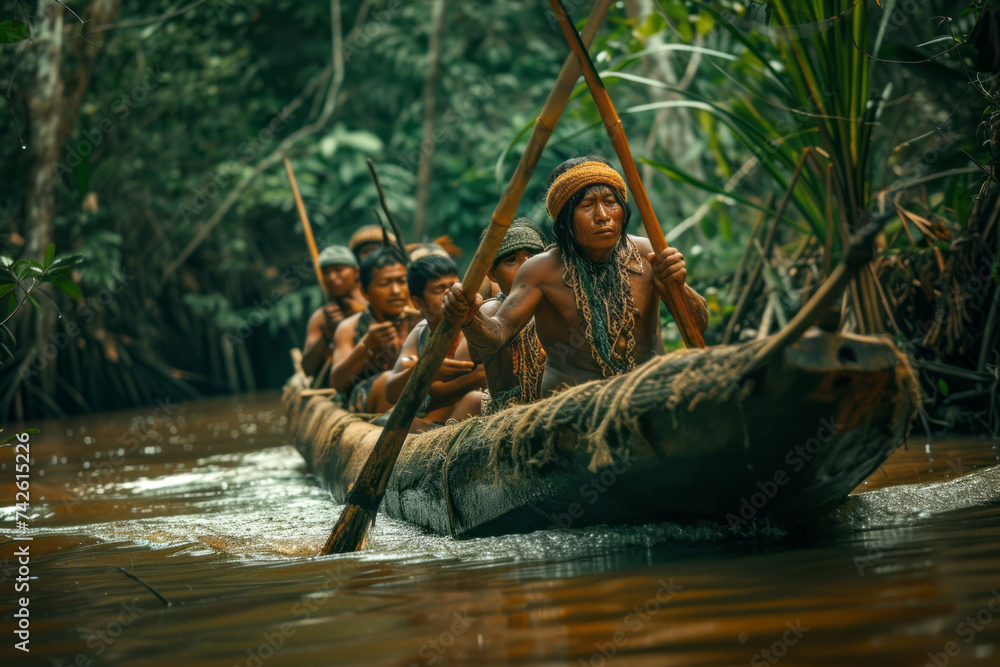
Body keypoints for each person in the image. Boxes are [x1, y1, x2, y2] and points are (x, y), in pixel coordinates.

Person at [443, 155, 709, 396]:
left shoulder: (649, 254)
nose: (603, 216)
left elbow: (698, 325)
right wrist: (469, 317)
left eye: (610, 202)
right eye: (587, 205)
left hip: (650, 392)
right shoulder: (541, 270)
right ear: (565, 220)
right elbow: (497, 337)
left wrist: (679, 286)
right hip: (571, 410)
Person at [384, 255, 486, 422]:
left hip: (473, 419)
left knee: (474, 400)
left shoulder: (476, 323)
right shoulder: (420, 332)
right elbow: (392, 392)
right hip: (435, 425)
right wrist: (425, 369)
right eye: (439, 289)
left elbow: (484, 379)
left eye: (454, 286)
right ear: (418, 303)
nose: (450, 293)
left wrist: (428, 384)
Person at [329, 246, 421, 412]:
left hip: (415, 401)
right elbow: (337, 384)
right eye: (385, 283)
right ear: (365, 292)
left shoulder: (419, 320)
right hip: (367, 405)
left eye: (401, 281)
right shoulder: (349, 328)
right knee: (387, 380)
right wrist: (366, 345)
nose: (396, 291)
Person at [472, 218, 548, 414]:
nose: (526, 266)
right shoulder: (492, 311)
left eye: (533, 256)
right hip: (510, 422)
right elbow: (488, 338)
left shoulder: (565, 303)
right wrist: (467, 318)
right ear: (492, 274)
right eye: (511, 260)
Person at [300, 245, 367, 378]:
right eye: (325, 272)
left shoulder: (374, 304)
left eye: (338, 270)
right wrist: (328, 333)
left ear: (356, 272)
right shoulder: (322, 317)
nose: (331, 277)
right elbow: (307, 369)